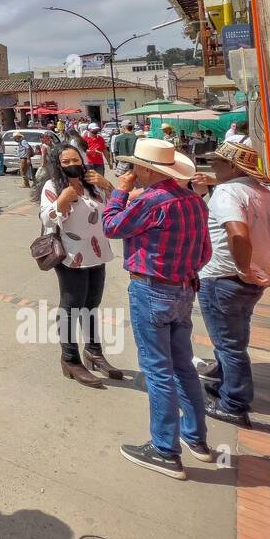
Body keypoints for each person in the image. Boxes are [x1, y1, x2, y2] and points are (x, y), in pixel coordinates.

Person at [102, 138, 212, 480]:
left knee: (158, 370)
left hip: (151, 289)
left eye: (135, 167)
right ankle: (197, 438)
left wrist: (120, 192)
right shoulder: (194, 201)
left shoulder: (152, 201)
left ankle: (165, 449)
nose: (132, 171)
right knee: (183, 365)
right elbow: (205, 252)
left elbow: (111, 226)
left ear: (147, 170)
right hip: (183, 290)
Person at [195, 142, 270, 428]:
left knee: (229, 343)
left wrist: (242, 268)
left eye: (218, 163)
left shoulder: (228, 192)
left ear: (232, 167)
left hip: (225, 277)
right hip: (252, 279)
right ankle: (223, 381)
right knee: (235, 335)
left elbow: (238, 233)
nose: (213, 168)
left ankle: (233, 403)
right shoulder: (266, 195)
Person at [40, 143, 121, 387]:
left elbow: (116, 208)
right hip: (70, 256)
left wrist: (108, 186)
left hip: (97, 253)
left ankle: (94, 352)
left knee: (92, 305)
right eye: (65, 162)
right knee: (71, 307)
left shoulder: (92, 183)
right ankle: (70, 359)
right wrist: (62, 200)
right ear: (58, 165)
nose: (72, 165)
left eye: (75, 159)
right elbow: (46, 218)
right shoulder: (53, 186)